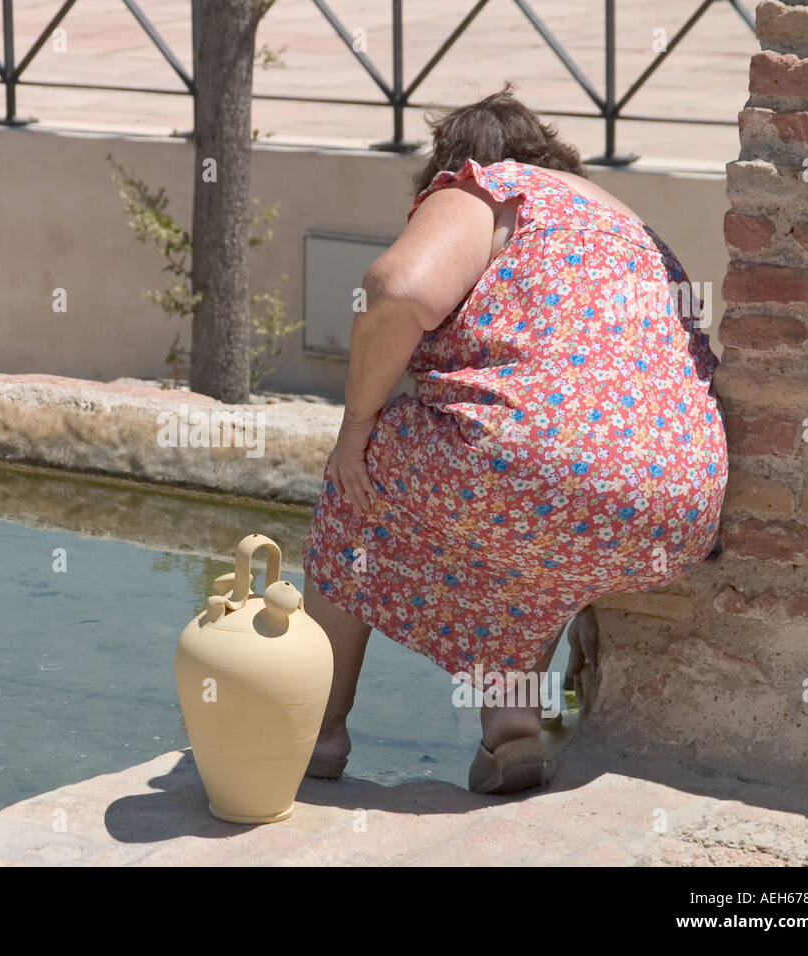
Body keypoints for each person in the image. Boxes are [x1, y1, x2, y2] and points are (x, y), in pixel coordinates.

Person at [301, 84, 726, 794]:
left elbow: (398, 290)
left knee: (364, 476)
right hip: (681, 503)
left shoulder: (490, 188)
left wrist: (354, 426)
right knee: (524, 523)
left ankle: (317, 728)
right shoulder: (627, 224)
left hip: (542, 466)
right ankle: (511, 729)